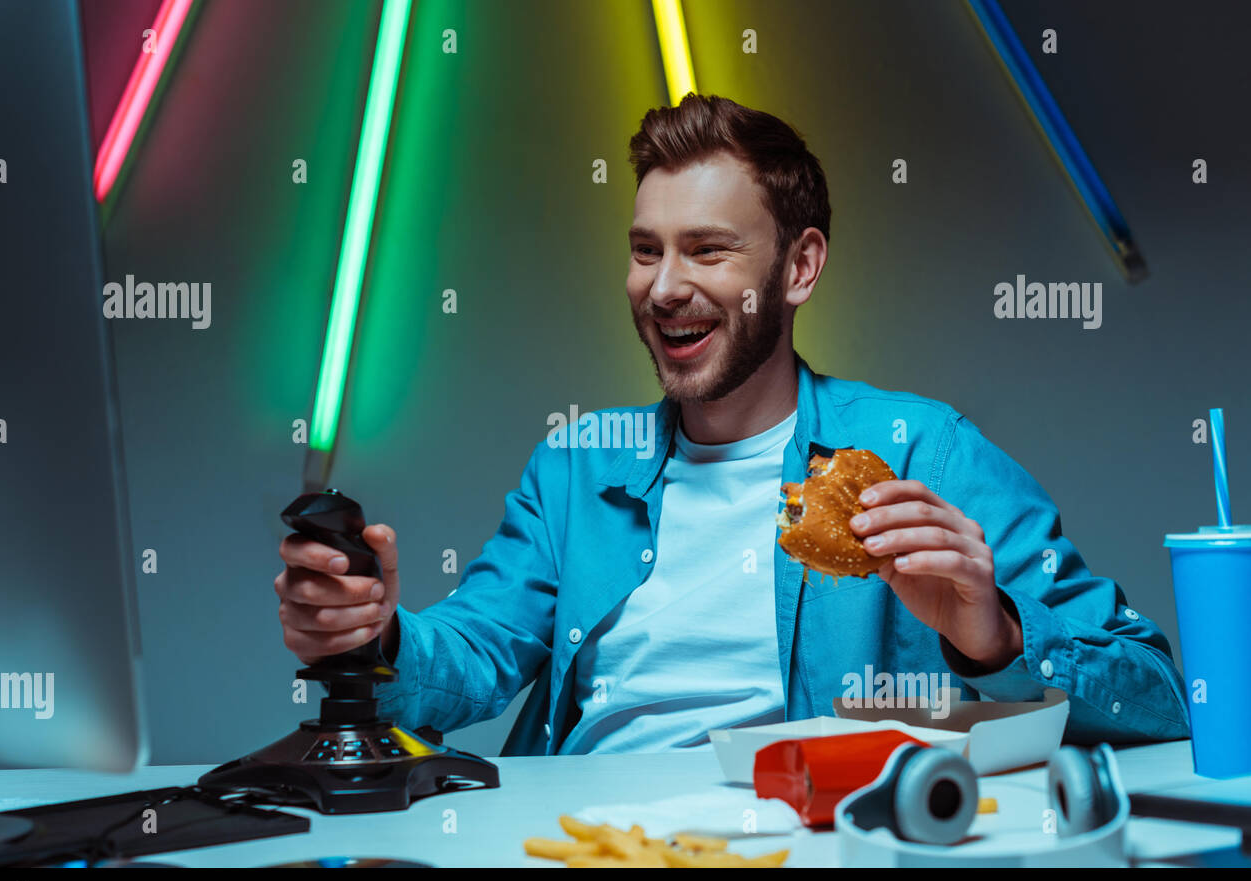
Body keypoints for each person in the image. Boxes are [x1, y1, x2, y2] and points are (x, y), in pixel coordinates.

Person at [274, 93, 1189, 756]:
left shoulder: (923, 451)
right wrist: (378, 633)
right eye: (645, 250)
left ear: (799, 269)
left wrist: (993, 636)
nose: (664, 286)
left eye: (707, 249)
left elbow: (1153, 694)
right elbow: (473, 655)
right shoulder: (574, 467)